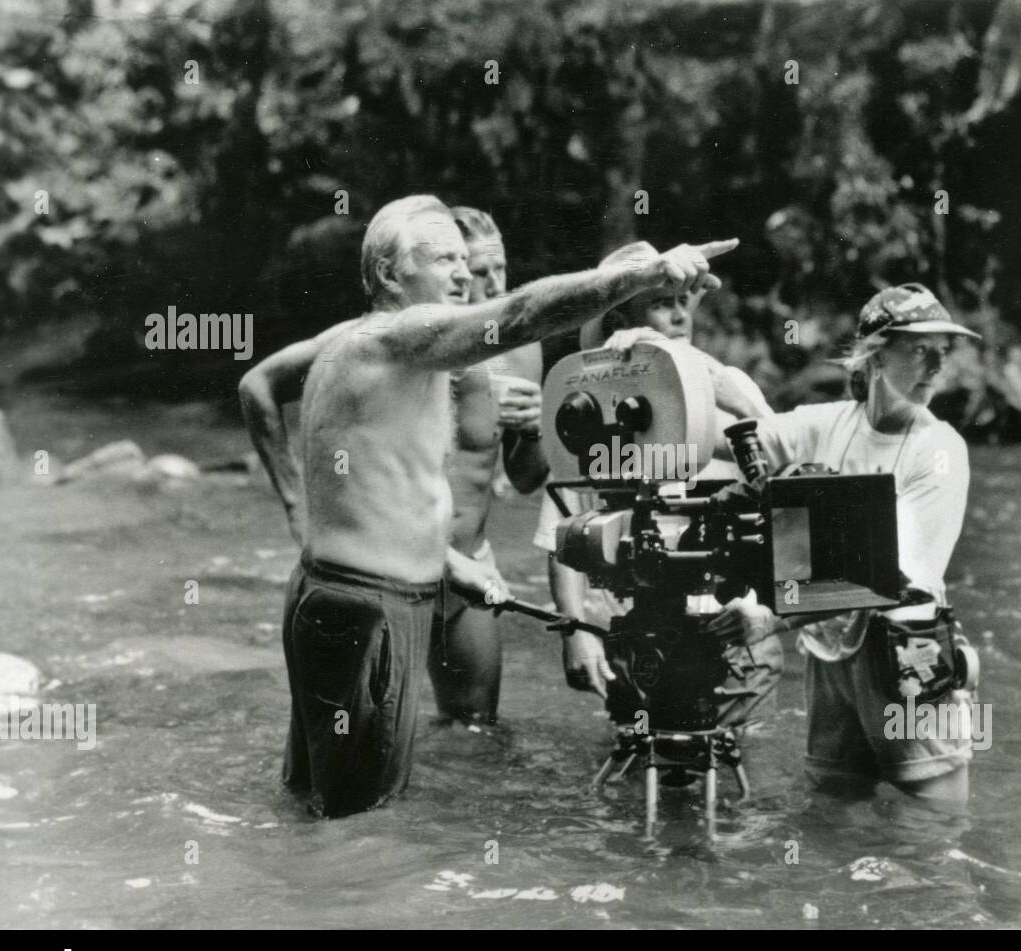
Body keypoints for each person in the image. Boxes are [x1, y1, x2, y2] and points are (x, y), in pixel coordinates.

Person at [238, 193, 738, 817]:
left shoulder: (362, 345)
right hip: (370, 606)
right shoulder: (402, 335)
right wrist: (635, 276)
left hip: (337, 590)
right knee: (360, 820)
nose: (462, 274)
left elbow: (381, 487)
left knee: (313, 798)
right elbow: (525, 312)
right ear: (391, 275)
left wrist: (451, 565)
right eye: (442, 259)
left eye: (461, 258)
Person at [706, 283, 978, 804]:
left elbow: (890, 576)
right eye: (921, 349)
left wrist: (767, 618)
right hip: (830, 657)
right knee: (831, 825)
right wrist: (666, 384)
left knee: (931, 838)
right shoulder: (827, 423)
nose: (937, 367)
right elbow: (730, 439)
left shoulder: (941, 450)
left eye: (943, 352)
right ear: (875, 355)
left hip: (907, 655)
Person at [534, 240, 783, 733]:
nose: (677, 316)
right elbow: (564, 531)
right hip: (636, 634)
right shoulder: (593, 401)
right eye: (660, 303)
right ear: (619, 320)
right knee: (633, 783)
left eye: (681, 302)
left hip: (734, 628)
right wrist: (575, 634)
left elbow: (791, 490)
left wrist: (764, 612)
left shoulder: (728, 383)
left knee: (738, 787)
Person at [429, 207, 546, 726]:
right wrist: (467, 398)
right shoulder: (415, 345)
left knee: (473, 731)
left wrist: (534, 426)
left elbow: (526, 479)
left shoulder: (522, 349)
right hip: (395, 559)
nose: (495, 285)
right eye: (479, 273)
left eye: (501, 269)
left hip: (469, 564)